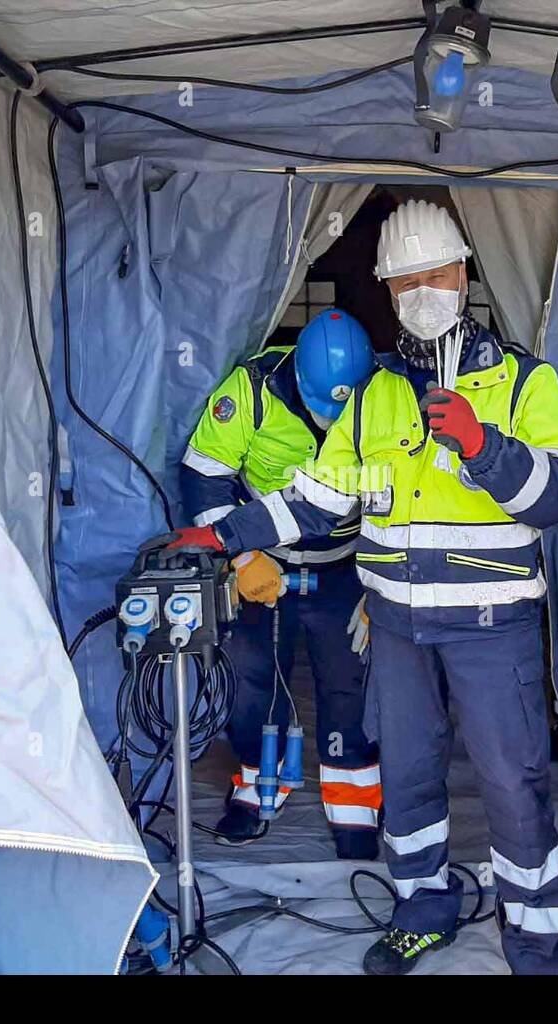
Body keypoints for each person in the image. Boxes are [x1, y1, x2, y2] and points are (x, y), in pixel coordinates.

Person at [152, 199, 558, 975]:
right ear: (387, 292)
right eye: (405, 280)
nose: (423, 290)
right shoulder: (376, 398)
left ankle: (537, 938)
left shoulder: (526, 383)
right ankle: (422, 906)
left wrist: (487, 448)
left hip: (492, 625)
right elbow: (317, 497)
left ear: (464, 273)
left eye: (436, 273)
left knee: (512, 780)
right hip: (395, 627)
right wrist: (222, 535)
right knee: (409, 774)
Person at [178, 310, 382, 861]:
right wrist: (243, 558)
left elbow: (407, 497)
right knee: (252, 680)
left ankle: (355, 807)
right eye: (322, 408)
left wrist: (379, 581)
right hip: (264, 564)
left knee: (348, 686)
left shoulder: (384, 395)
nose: (328, 422)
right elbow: (203, 476)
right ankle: (255, 787)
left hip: (344, 568)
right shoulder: (252, 390)